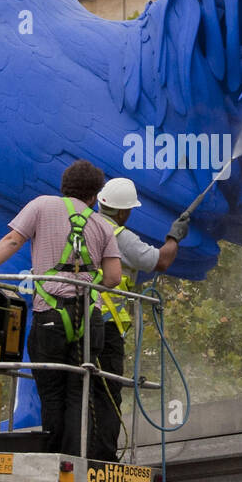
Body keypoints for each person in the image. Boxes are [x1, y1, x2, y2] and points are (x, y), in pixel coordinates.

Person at [0, 160, 121, 457]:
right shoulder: (102, 226)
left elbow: (12, 240)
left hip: (51, 319)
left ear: (63, 186)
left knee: (51, 393)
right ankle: (76, 456)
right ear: (94, 196)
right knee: (77, 392)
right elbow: (113, 278)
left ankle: (55, 457)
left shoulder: (42, 206)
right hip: (89, 320)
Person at [92, 177, 189, 460]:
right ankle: (103, 458)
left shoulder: (83, 227)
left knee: (81, 388)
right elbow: (161, 260)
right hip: (107, 326)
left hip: (74, 321)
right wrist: (175, 237)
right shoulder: (119, 236)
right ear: (123, 212)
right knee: (108, 393)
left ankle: (81, 449)